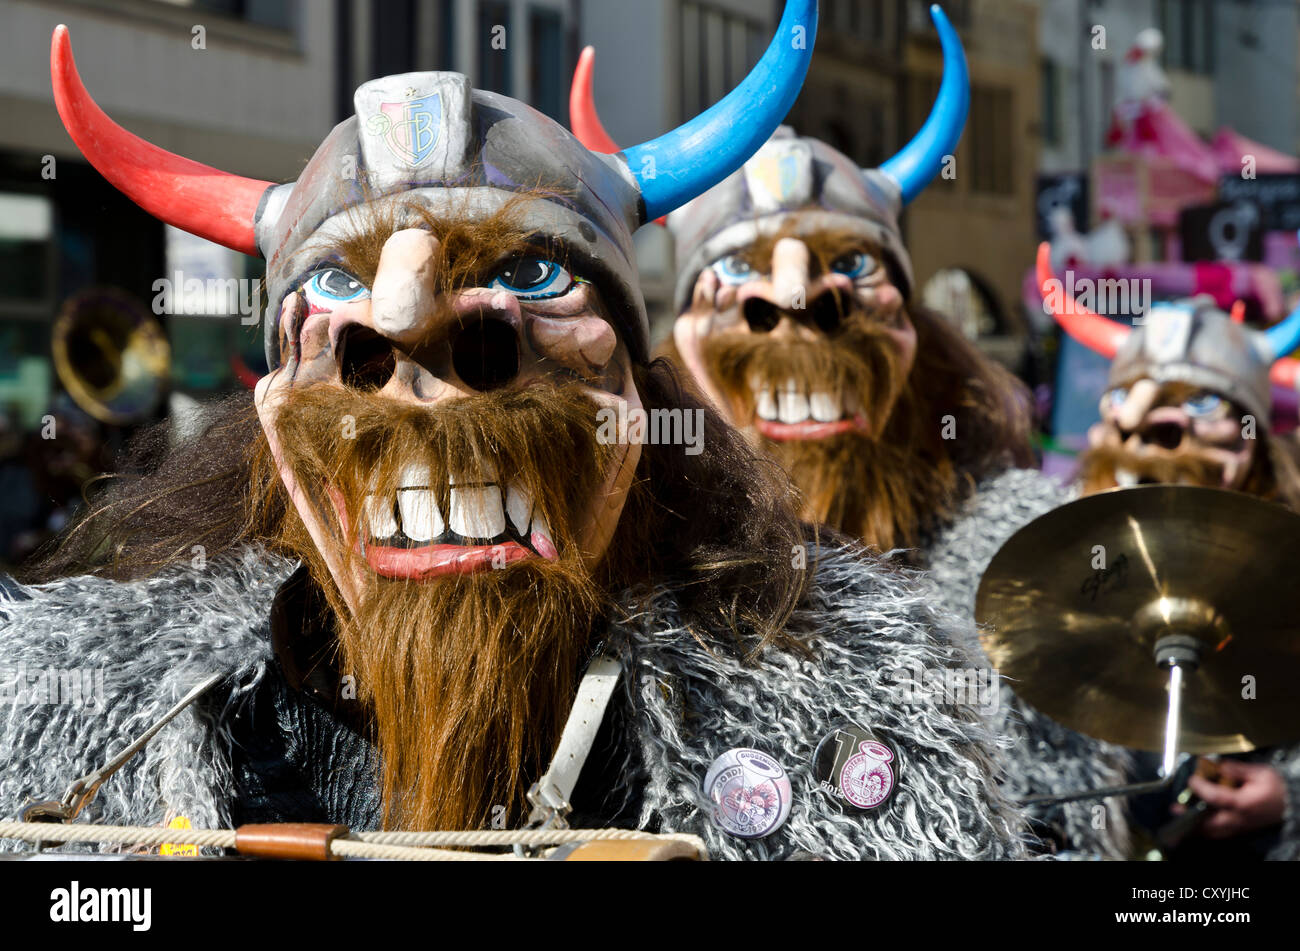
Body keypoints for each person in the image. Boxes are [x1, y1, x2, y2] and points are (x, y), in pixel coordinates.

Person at [0, 8, 1029, 861]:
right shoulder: (101, 727)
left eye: (533, 276)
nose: (405, 332)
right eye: (339, 297)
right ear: (271, 409)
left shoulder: (843, 721)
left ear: (643, 389)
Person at [570, 5, 1131, 857]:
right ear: (670, 356)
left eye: (852, 267)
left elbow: (1073, 815)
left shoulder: (1021, 558)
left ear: (920, 335)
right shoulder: (609, 554)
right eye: (740, 276)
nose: (798, 301)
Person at [1039, 245, 1300, 859]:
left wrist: (1288, 795)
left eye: (1198, 407)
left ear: (1248, 447)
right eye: (1126, 414)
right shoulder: (1059, 563)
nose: (1150, 438)